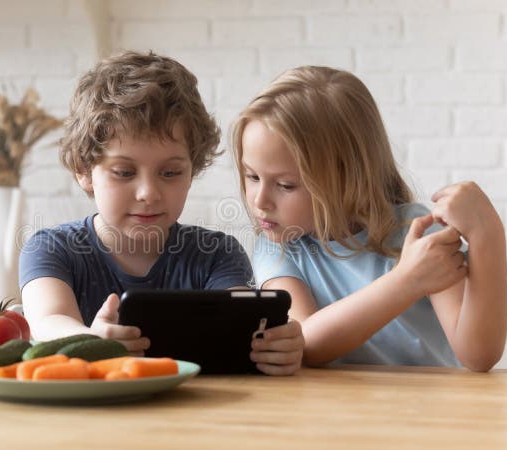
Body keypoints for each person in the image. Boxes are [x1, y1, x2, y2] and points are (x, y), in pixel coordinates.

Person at [19, 51, 303, 375]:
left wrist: (276, 344)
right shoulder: (51, 248)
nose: (148, 193)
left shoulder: (217, 255)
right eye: (124, 172)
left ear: (193, 169)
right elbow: (47, 322)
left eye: (169, 173)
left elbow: (240, 330)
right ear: (84, 171)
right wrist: (93, 341)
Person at [231, 66, 507, 371]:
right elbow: (304, 343)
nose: (260, 201)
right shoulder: (278, 246)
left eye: (286, 185)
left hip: (432, 413)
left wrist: (488, 236)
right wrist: (407, 281)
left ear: (349, 177)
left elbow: (479, 355)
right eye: (252, 176)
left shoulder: (417, 236)